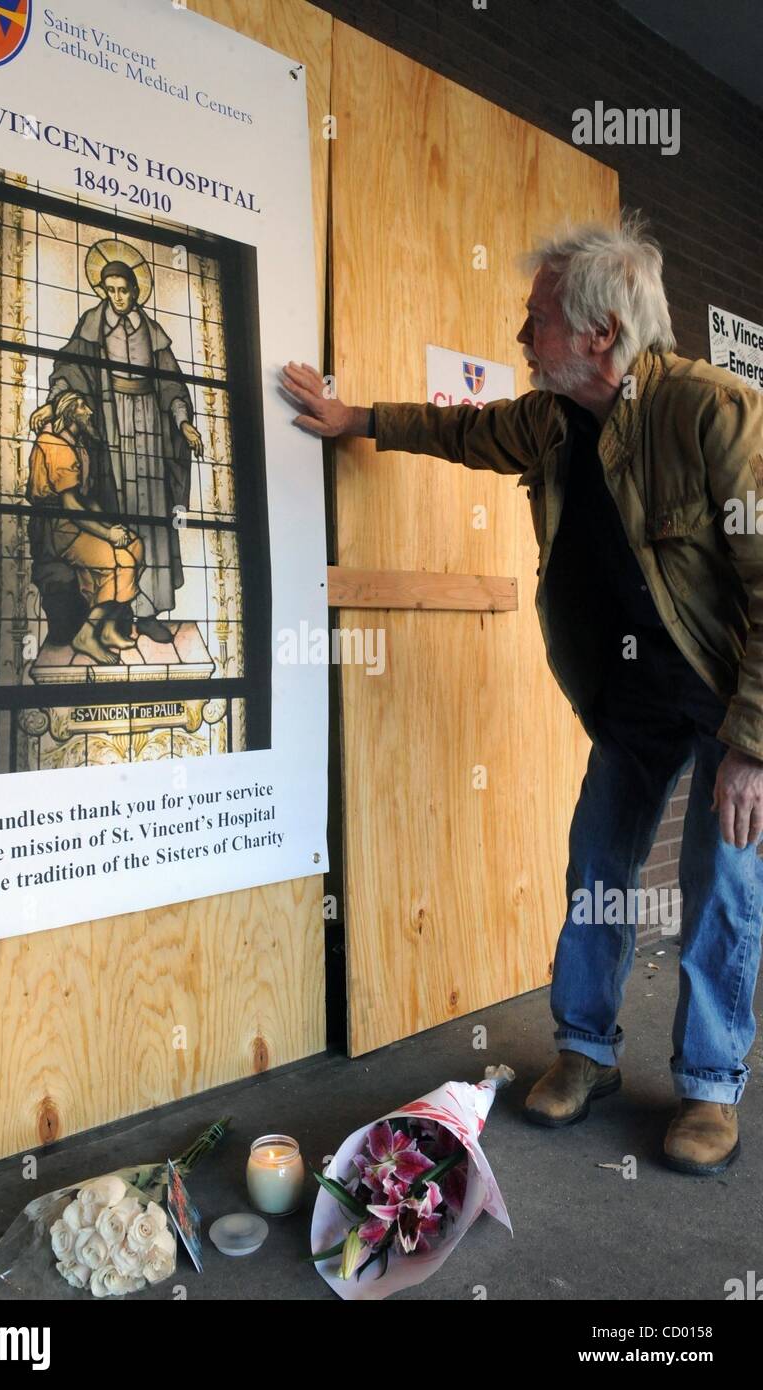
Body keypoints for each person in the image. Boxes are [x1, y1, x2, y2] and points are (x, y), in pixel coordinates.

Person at [281, 213, 763, 1176]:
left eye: (535, 317)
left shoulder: (714, 410)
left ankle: (710, 1088)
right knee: (597, 869)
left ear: (600, 335)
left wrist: (752, 744)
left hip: (725, 698)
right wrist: (357, 420)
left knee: (724, 884)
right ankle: (586, 1054)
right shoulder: (551, 419)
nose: (519, 334)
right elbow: (459, 429)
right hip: (628, 704)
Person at [30, 241, 204, 643]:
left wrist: (182, 422)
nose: (117, 296)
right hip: (110, 427)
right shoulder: (92, 324)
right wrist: (54, 402)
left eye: (123, 288)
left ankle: (150, 610)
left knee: (155, 513)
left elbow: (172, 384)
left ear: (135, 289)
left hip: (150, 428)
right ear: (103, 290)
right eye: (110, 290)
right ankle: (117, 613)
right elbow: (69, 369)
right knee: (117, 510)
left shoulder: (152, 332)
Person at [27, 390, 143, 664]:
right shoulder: (55, 446)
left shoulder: (76, 445)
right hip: (58, 529)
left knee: (134, 545)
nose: (89, 412)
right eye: (82, 407)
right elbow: (71, 507)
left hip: (74, 521)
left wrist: (111, 526)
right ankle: (87, 634)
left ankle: (109, 628)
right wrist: (106, 534)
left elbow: (84, 500)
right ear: (69, 413)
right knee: (120, 562)